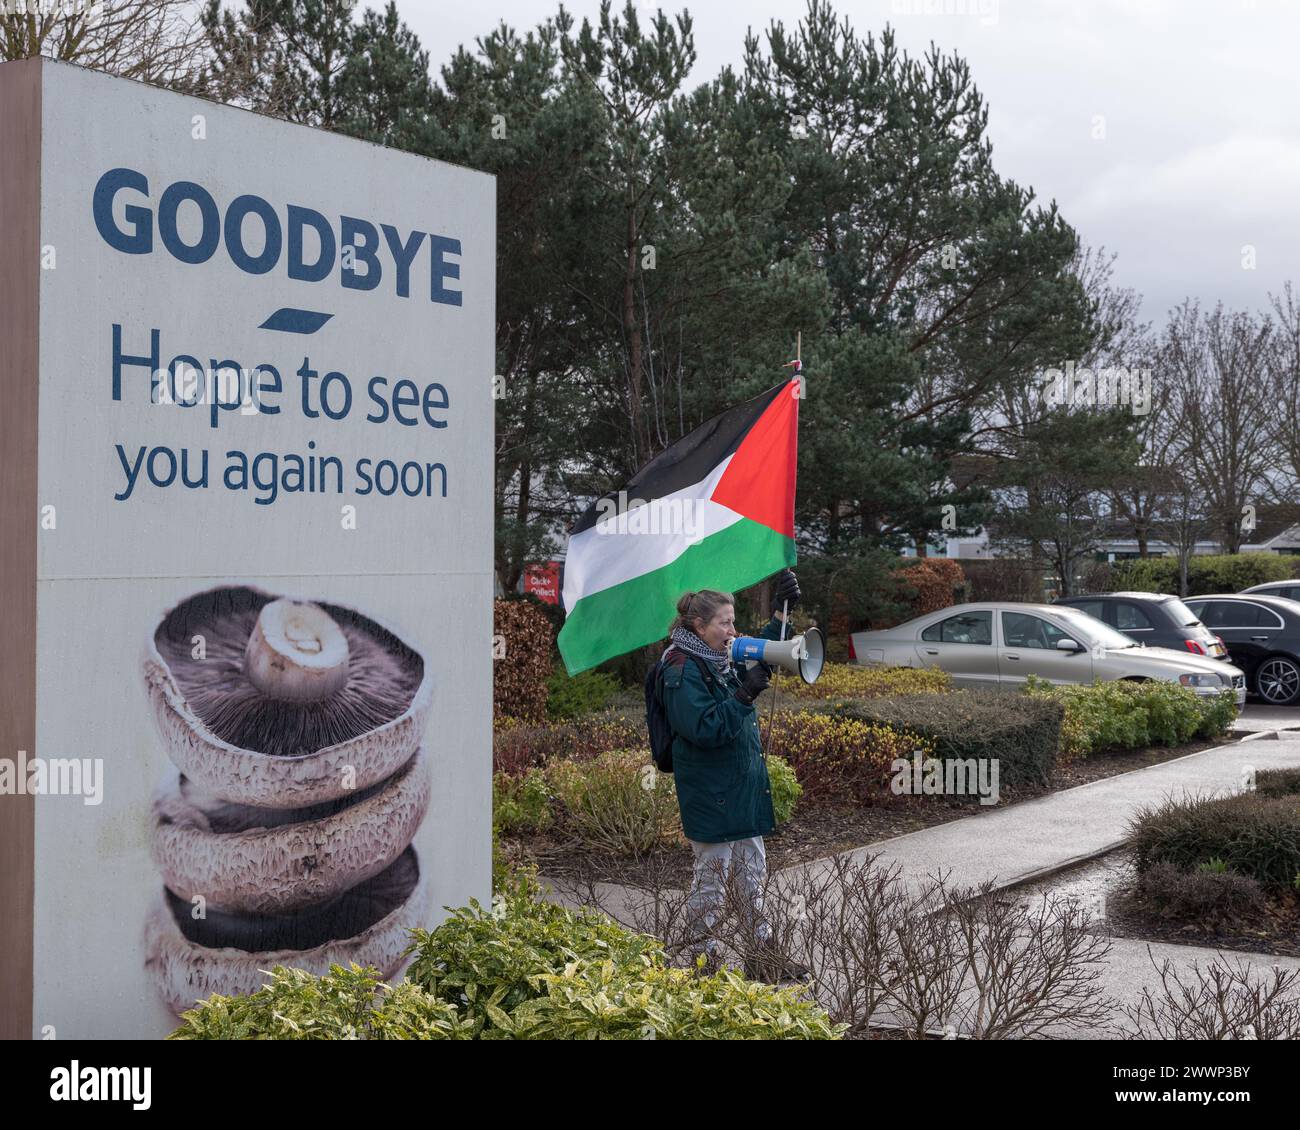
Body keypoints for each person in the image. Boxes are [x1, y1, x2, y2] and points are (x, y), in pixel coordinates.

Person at [656, 568, 810, 982]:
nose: (732, 629)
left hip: (738, 787)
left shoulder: (719, 656)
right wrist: (745, 694)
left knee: (752, 876)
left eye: (732, 620)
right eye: (724, 622)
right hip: (710, 792)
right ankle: (701, 965)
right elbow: (702, 727)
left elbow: (758, 647)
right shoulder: (681, 666)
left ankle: (764, 958)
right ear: (698, 625)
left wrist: (782, 614)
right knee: (713, 881)